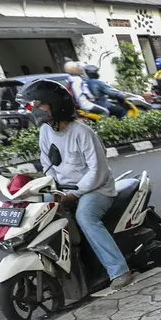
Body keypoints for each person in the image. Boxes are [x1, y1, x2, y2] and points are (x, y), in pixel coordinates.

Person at [25, 79, 133, 288]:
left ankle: (120, 270)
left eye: (40, 104)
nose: (36, 109)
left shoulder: (83, 133)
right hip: (63, 189)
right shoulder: (45, 131)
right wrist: (51, 188)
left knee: (85, 217)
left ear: (55, 105)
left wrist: (74, 195)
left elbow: (97, 171)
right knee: (35, 211)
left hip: (97, 189)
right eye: (34, 105)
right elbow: (46, 163)